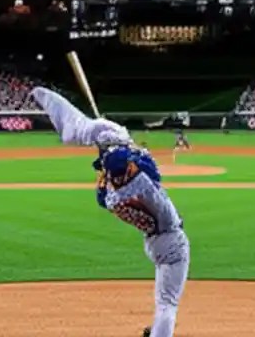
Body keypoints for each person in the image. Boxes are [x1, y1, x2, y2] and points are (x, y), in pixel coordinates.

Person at [31, 86, 189, 337]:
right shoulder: (144, 182)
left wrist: (104, 157)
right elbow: (139, 157)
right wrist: (111, 150)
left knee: (163, 301)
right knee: (168, 304)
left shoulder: (114, 199)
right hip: (172, 241)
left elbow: (103, 191)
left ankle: (158, 331)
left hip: (153, 242)